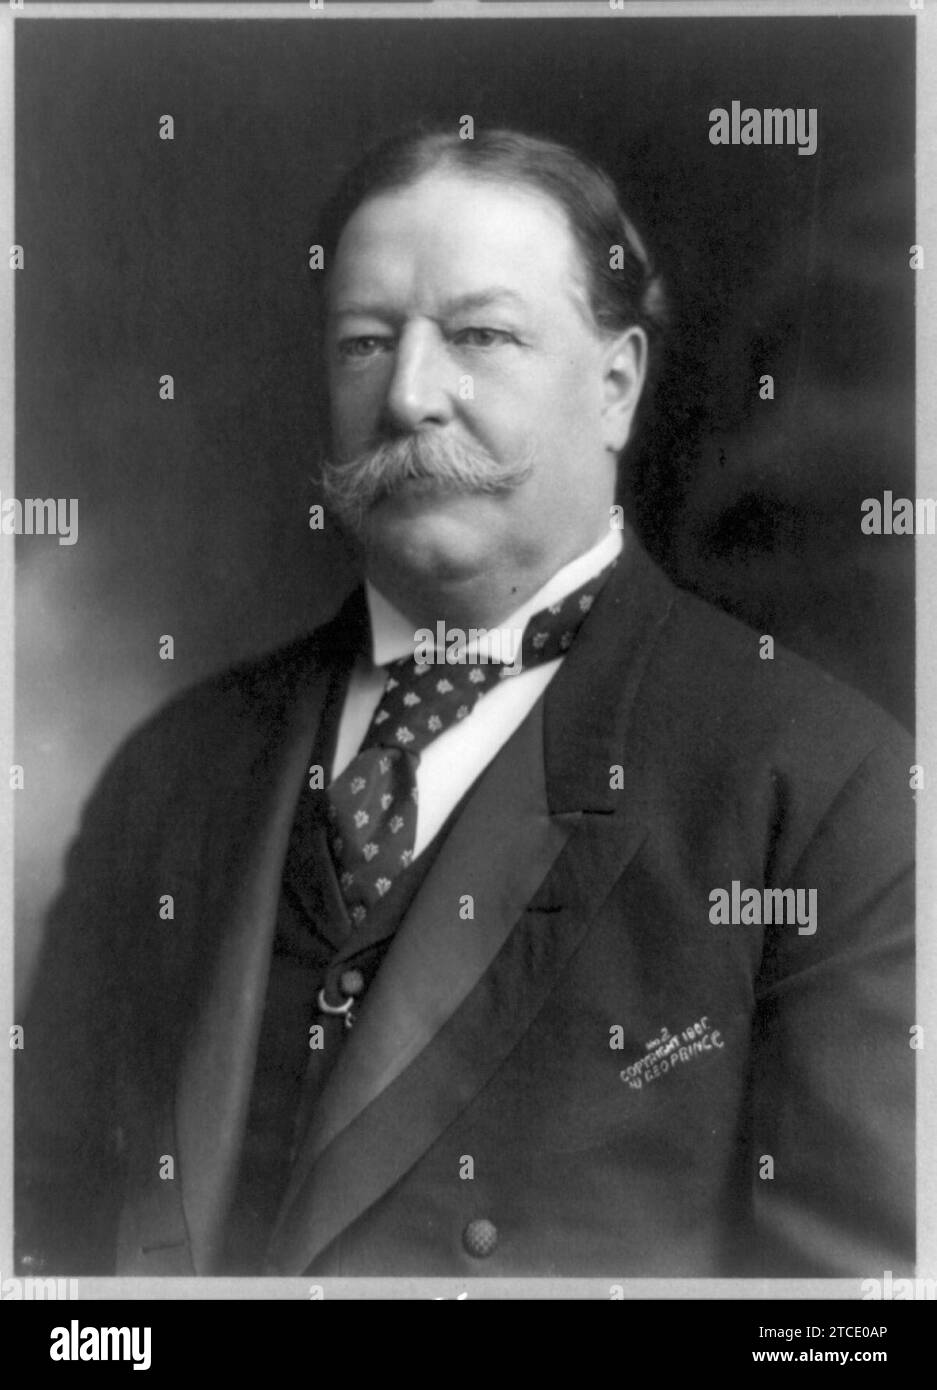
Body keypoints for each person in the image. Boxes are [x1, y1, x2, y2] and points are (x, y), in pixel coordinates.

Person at [16, 128, 914, 1280]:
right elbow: (37, 1231)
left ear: (616, 384)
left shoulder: (824, 793)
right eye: (364, 341)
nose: (407, 395)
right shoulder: (173, 767)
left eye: (480, 335)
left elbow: (843, 1326)